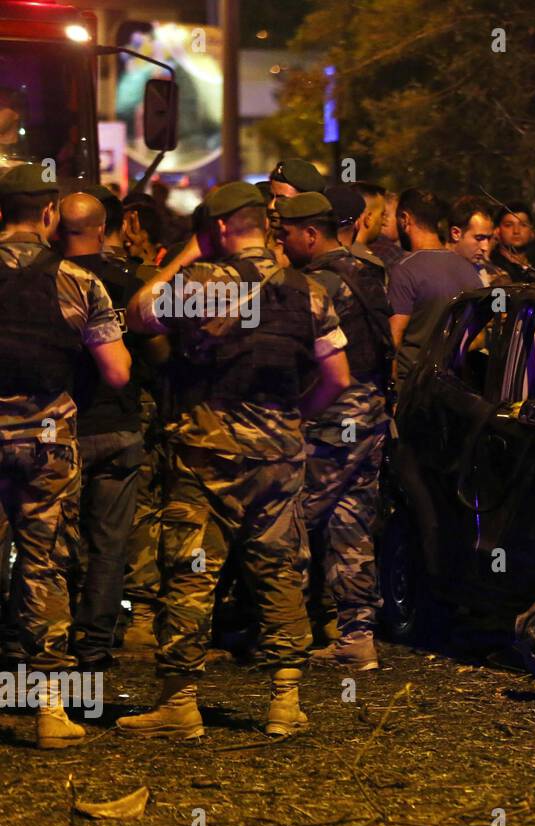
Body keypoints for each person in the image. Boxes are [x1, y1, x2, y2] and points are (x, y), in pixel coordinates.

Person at [120, 181, 351, 740]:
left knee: (192, 572)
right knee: (278, 569)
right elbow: (338, 377)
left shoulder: (199, 284)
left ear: (220, 229)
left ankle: (179, 703)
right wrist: (294, 415)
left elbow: (137, 315)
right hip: (279, 455)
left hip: (206, 456)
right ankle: (284, 702)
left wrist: (188, 252)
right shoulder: (306, 290)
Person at [0, 164, 131, 748]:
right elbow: (118, 372)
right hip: (46, 441)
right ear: (48, 215)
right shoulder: (79, 281)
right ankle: (51, 708)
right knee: (43, 564)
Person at [278, 192, 391, 671]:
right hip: (371, 412)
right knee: (352, 522)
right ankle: (357, 637)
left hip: (331, 417)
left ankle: (283, 635)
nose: (281, 244)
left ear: (310, 234)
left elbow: (306, 358)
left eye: (285, 234)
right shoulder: (368, 271)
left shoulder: (315, 284)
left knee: (291, 521)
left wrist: (298, 410)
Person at [59, 192, 158, 672]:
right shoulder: (132, 283)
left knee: (52, 543)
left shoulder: (45, 282)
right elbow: (158, 354)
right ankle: (93, 647)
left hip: (62, 431)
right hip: (118, 427)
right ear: (103, 230)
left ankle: (40, 644)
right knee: (109, 546)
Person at [388, 187, 481, 388]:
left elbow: (393, 339)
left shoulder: (404, 270)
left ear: (405, 219)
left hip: (412, 388)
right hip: (454, 387)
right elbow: (479, 338)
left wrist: (392, 392)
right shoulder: (468, 270)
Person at [448, 196, 505, 286]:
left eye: (488, 238)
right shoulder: (436, 271)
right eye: (479, 238)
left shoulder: (493, 274)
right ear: (456, 233)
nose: (485, 247)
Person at [490, 202, 535, 280]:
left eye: (523, 225)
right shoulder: (491, 266)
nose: (516, 231)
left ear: (532, 232)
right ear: (497, 230)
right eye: (508, 225)